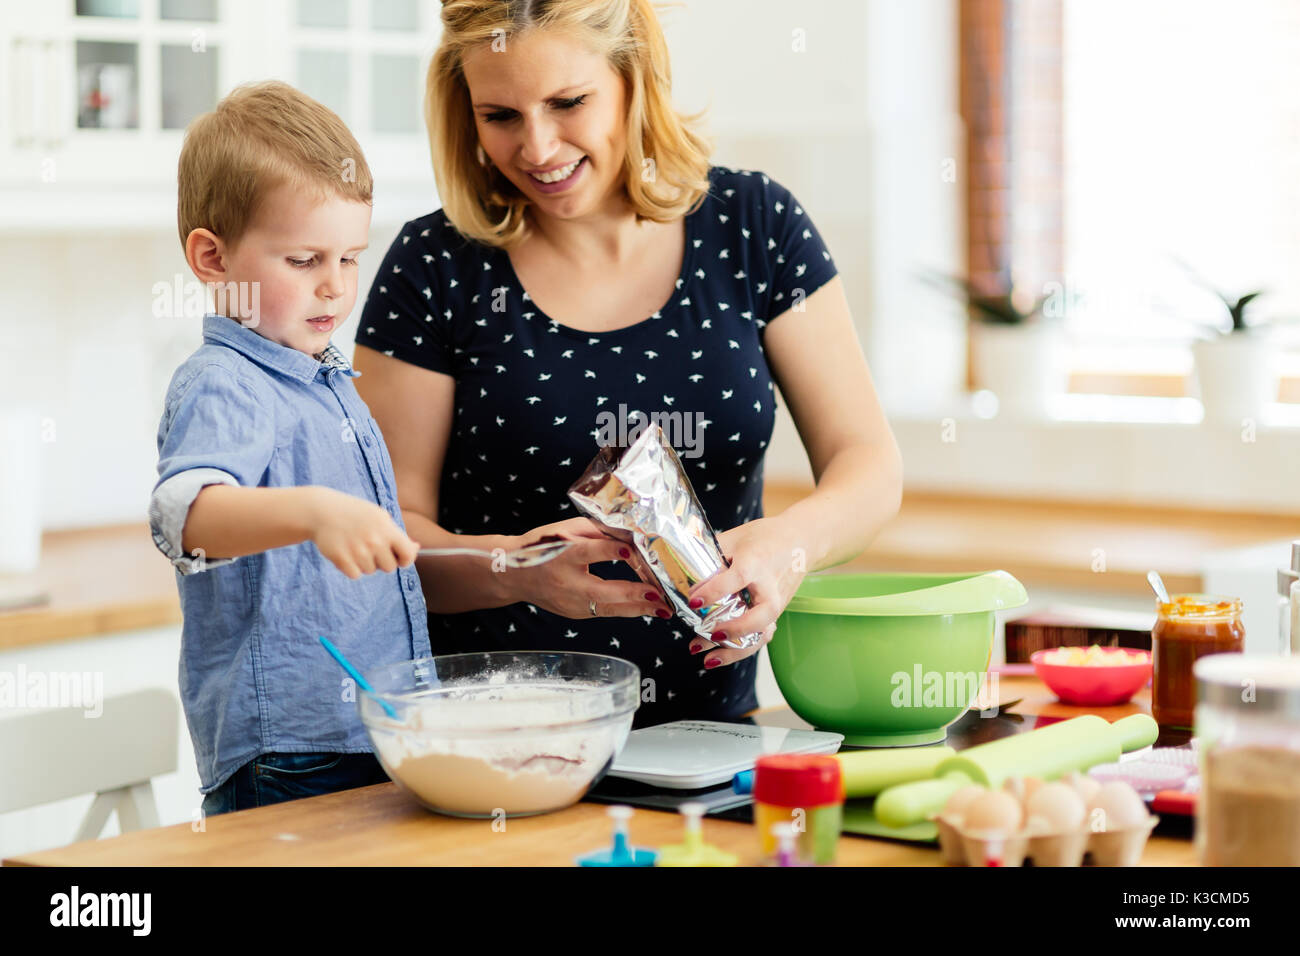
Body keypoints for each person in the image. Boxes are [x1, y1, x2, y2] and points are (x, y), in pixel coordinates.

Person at [353, 0, 903, 728]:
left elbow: (868, 463)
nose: (539, 148)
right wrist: (517, 572)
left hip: (714, 746)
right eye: (501, 116)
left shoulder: (755, 227)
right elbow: (388, 541)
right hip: (491, 747)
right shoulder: (434, 266)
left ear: (633, 77)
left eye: (568, 102)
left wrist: (788, 546)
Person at [148, 82, 429, 816]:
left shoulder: (324, 380)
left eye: (349, 258)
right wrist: (314, 511)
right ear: (211, 258)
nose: (335, 288)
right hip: (291, 754)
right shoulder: (226, 382)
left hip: (364, 734)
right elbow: (186, 516)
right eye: (304, 260)